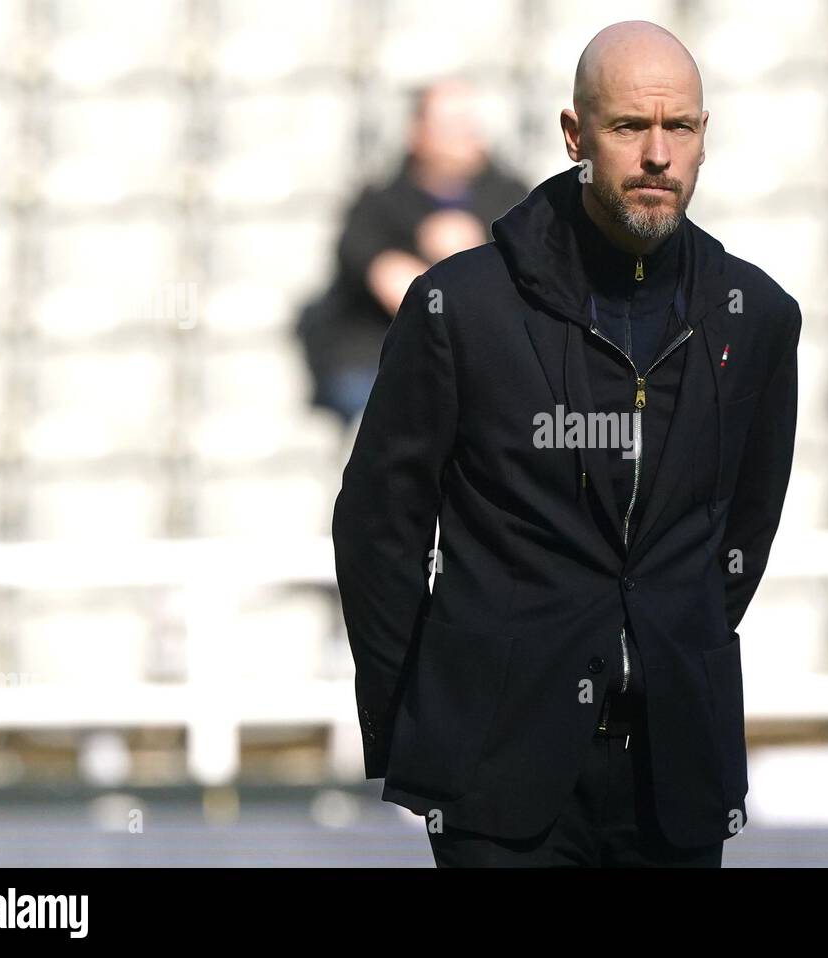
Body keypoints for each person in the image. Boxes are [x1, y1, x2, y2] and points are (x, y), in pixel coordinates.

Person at [332, 21, 801, 866]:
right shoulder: (458, 309)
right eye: (629, 127)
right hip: (494, 780)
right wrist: (419, 721)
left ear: (704, 137)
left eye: (680, 128)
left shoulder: (759, 317)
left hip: (678, 777)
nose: (658, 153)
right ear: (575, 136)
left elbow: (741, 535)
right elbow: (379, 529)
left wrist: (662, 640)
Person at [296, 79, 529, 425]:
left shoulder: (514, 198)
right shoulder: (378, 204)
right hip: (382, 361)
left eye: (468, 124)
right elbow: (392, 286)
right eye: (450, 125)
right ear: (417, 133)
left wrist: (478, 250)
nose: (464, 135)